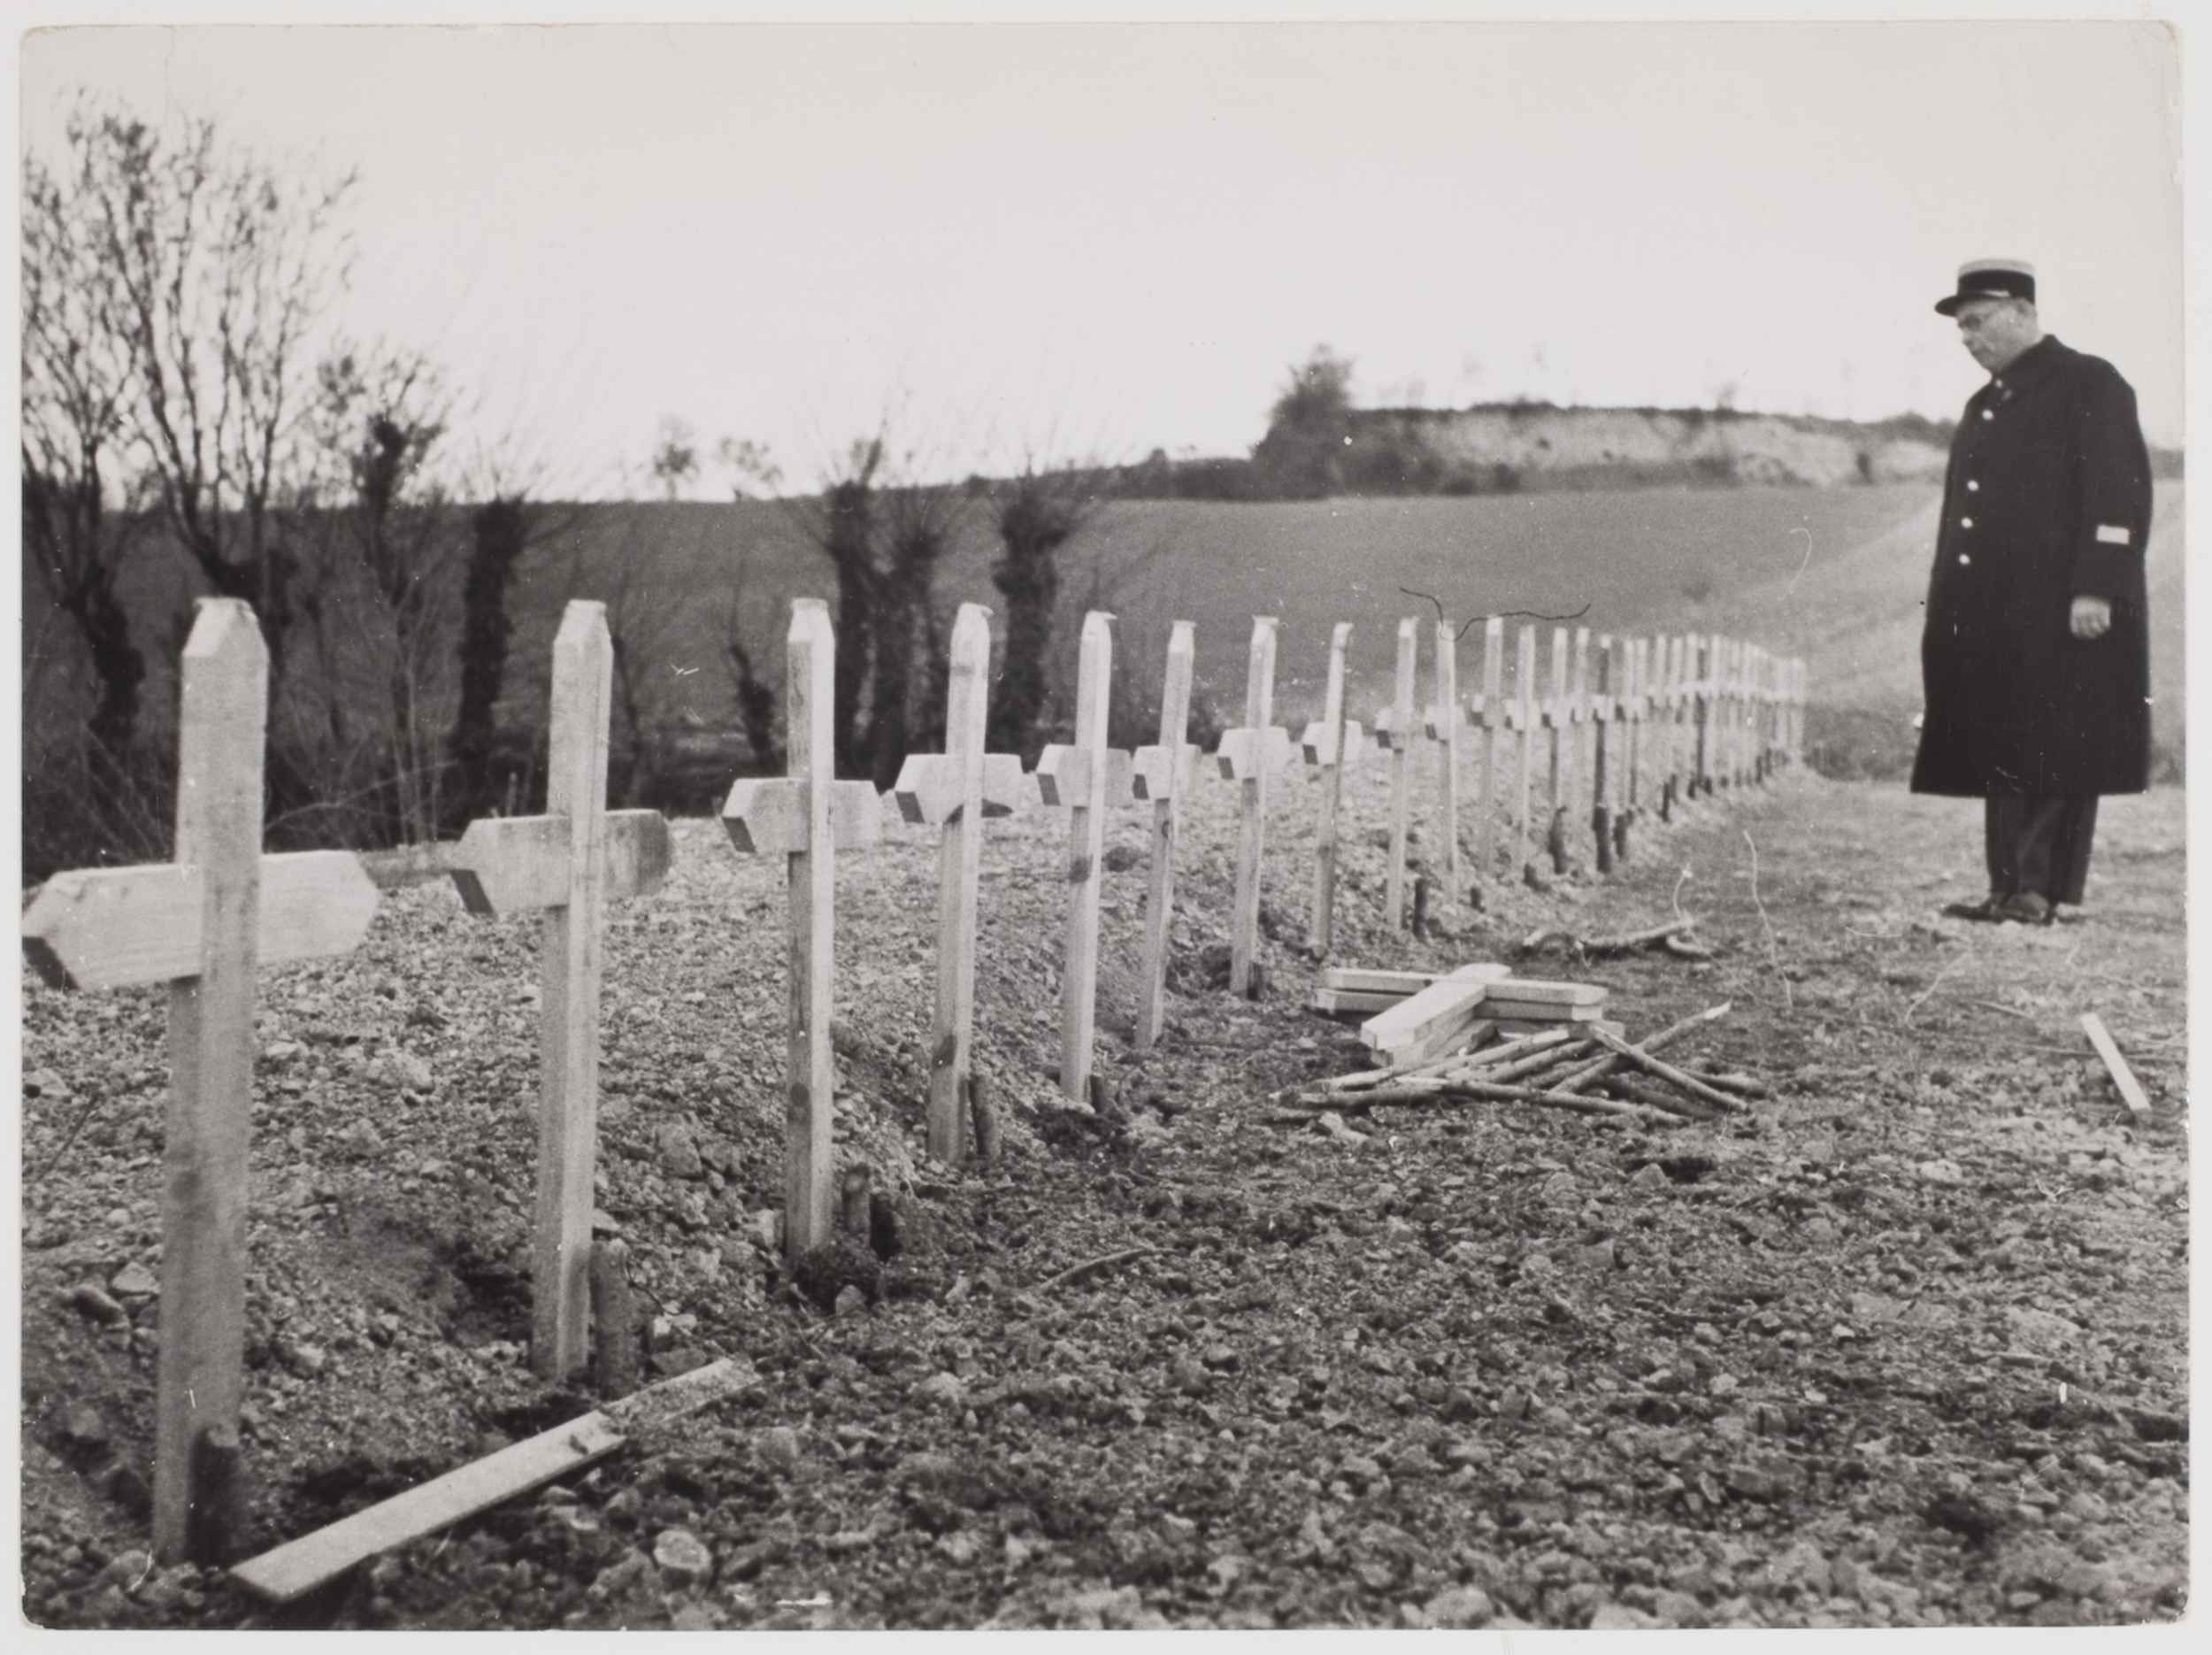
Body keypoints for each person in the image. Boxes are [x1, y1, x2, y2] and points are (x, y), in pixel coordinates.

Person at [1911, 258, 2153, 925]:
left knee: (2058, 744)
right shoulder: (1988, 402)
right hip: (1995, 615)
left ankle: (2040, 891)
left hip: (2062, 607)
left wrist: (2098, 588)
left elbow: (2117, 491)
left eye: (1977, 321)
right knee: (2003, 743)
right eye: (1961, 328)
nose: (1967, 337)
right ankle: (2008, 888)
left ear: (2022, 311)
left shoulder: (2087, 381)